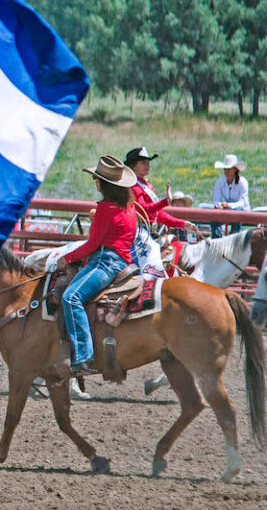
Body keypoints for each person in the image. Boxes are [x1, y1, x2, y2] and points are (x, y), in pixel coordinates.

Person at [60, 155, 139, 377]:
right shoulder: (129, 206)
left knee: (71, 297)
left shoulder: (105, 208)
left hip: (105, 262)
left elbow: (92, 245)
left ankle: (83, 356)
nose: (95, 182)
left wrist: (66, 258)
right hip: (122, 260)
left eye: (96, 178)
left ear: (102, 184)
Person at [124, 147, 202, 275]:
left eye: (148, 163)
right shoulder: (133, 187)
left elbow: (157, 214)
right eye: (143, 163)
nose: (148, 166)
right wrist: (165, 202)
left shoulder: (146, 185)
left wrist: (181, 224)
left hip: (148, 231)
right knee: (153, 250)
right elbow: (144, 211)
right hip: (137, 231)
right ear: (133, 166)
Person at [209, 154, 251, 237]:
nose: (226, 171)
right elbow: (216, 199)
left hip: (241, 210)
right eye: (225, 169)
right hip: (226, 209)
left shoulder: (242, 182)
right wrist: (219, 205)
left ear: (235, 170)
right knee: (213, 216)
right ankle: (216, 239)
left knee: (237, 215)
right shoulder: (220, 182)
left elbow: (243, 202)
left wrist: (230, 205)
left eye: (229, 169)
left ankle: (233, 239)